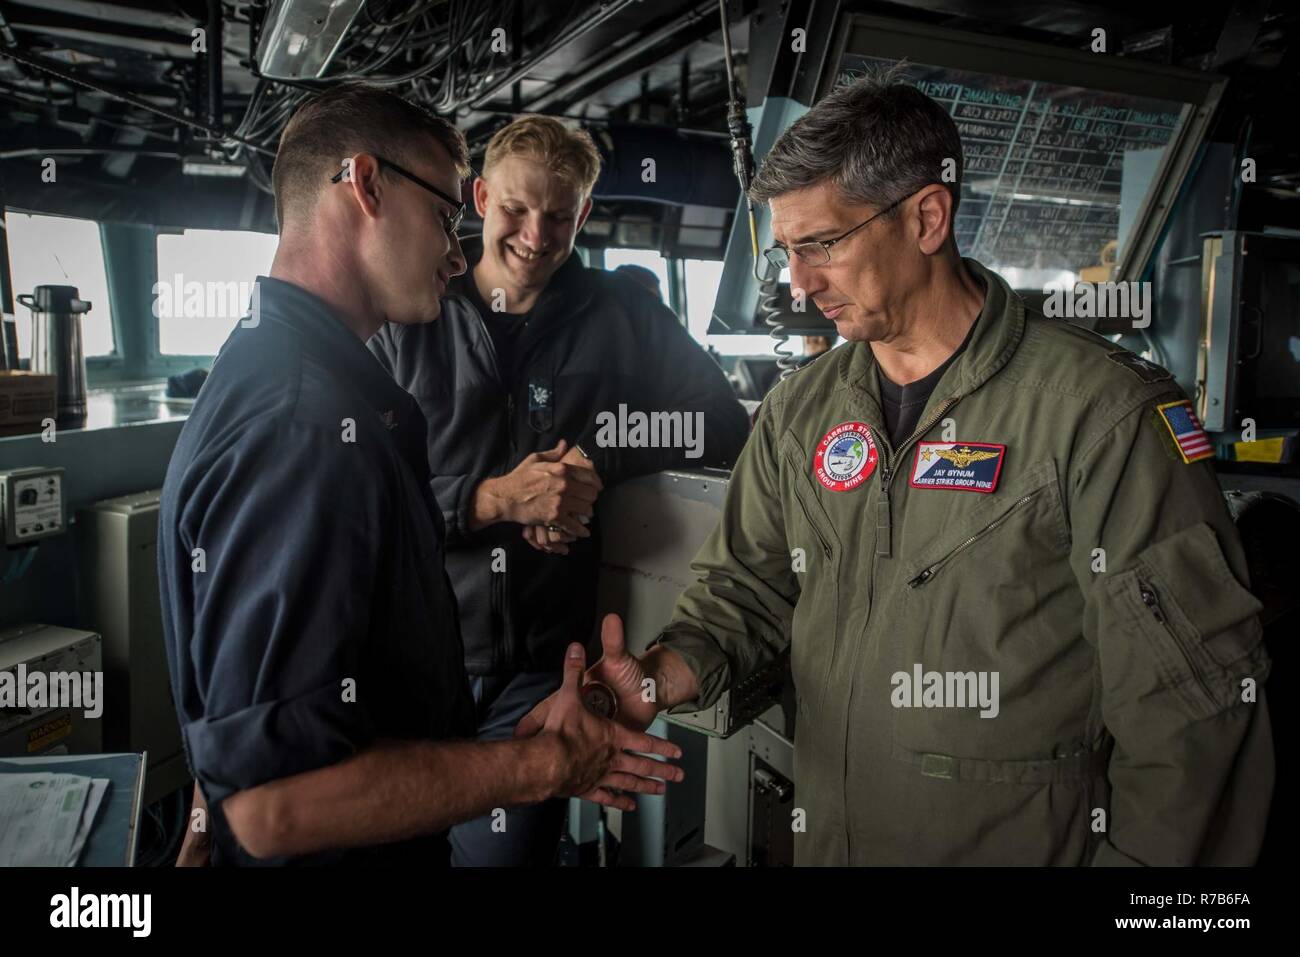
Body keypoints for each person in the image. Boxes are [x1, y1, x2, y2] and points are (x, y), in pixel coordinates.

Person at [518, 71, 1274, 866]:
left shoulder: (1101, 416)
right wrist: (654, 678)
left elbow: (1195, 721)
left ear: (926, 216)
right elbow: (747, 592)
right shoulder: (801, 412)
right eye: (788, 251)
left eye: (823, 245)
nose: (800, 283)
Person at [159, 84, 681, 867]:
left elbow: (246, 703)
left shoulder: (275, 372)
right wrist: (542, 766)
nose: (454, 251)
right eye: (445, 216)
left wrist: (200, 828)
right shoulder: (302, 427)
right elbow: (275, 803)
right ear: (366, 185)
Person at [369, 113, 749, 866]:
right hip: (413, 664)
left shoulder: (624, 313)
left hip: (544, 670)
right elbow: (366, 496)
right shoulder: (410, 312)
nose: (536, 235)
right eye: (516, 209)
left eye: (559, 215)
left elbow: (720, 421)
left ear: (584, 214)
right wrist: (494, 499)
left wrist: (594, 456)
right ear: (479, 197)